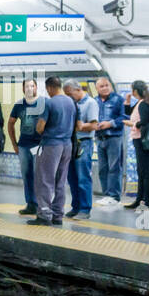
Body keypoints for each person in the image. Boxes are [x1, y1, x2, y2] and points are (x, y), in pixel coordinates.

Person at [29, 76, 75, 226]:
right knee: (60, 181)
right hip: (67, 145)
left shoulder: (50, 103)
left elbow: (40, 127)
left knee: (44, 180)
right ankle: (57, 215)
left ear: (49, 88)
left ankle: (44, 215)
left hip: (51, 145)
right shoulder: (71, 102)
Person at [8, 79, 46, 216]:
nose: (30, 89)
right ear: (23, 89)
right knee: (26, 175)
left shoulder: (44, 103)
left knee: (39, 175)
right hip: (23, 145)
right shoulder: (19, 105)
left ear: (36, 87)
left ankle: (42, 205)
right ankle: (31, 204)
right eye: (27, 86)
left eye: (32, 86)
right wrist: (14, 143)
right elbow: (10, 123)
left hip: (39, 145)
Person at [63, 80, 100, 220]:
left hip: (84, 143)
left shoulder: (90, 103)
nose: (68, 97)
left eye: (69, 94)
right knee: (72, 177)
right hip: (71, 143)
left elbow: (94, 125)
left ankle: (85, 209)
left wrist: (79, 126)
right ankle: (76, 206)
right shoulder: (73, 103)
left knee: (83, 177)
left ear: (78, 90)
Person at [124, 80, 149, 211]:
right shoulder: (142, 102)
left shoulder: (144, 104)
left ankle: (146, 201)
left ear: (135, 91)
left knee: (144, 171)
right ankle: (139, 199)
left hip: (142, 140)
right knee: (141, 171)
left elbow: (144, 121)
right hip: (141, 140)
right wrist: (127, 101)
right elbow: (129, 113)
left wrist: (132, 125)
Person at [92, 77, 126, 208]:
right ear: (97, 88)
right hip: (99, 139)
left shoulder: (118, 100)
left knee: (114, 168)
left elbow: (124, 117)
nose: (105, 88)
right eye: (102, 86)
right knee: (102, 169)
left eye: (107, 85)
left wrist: (110, 124)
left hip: (114, 138)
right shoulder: (94, 101)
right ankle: (107, 195)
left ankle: (114, 196)